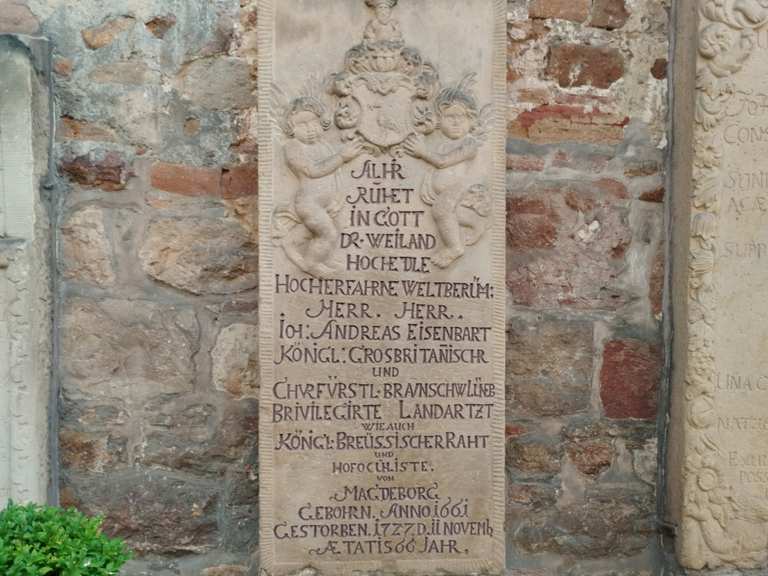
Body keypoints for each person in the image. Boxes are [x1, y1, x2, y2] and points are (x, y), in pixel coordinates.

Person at [281, 97, 364, 277]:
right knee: (328, 234)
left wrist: (338, 198)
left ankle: (291, 243)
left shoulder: (323, 145)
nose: (310, 129)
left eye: (313, 123)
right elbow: (312, 170)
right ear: (291, 129)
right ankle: (312, 264)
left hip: (327, 203)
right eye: (302, 125)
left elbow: (336, 174)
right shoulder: (293, 147)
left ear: (322, 122)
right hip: (309, 203)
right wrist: (342, 157)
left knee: (320, 231)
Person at [404, 85, 484, 268]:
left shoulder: (469, 144)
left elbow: (442, 162)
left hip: (461, 188)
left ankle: (454, 247)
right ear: (440, 120)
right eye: (450, 117)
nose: (456, 122)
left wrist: (422, 152)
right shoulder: (443, 143)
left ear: (472, 120)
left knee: (441, 211)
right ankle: (476, 224)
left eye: (461, 117)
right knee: (450, 214)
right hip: (443, 192)